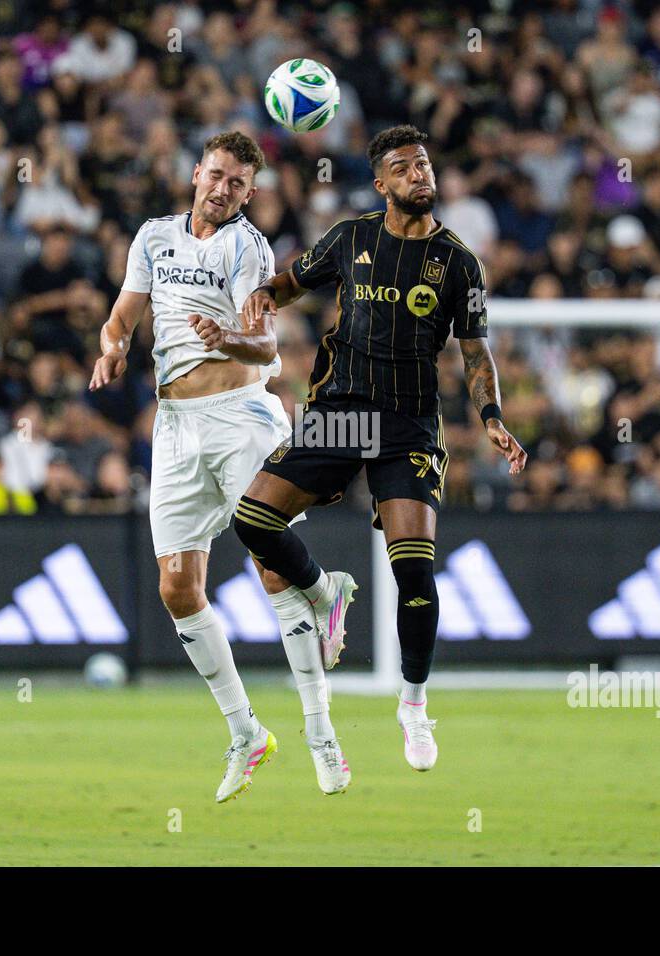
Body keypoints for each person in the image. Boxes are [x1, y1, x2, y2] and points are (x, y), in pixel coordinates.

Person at [234, 125, 527, 772]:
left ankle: (415, 704)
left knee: (415, 574)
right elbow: (294, 280)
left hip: (408, 428)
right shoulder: (352, 237)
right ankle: (321, 590)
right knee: (252, 518)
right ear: (382, 183)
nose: (419, 174)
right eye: (403, 167)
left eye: (424, 164)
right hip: (342, 413)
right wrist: (261, 297)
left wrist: (491, 415)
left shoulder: (458, 262)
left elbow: (475, 349)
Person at [89, 131, 351, 801]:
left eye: (237, 183)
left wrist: (225, 334)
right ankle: (247, 733)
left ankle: (322, 733)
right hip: (174, 426)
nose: (223, 189)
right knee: (177, 587)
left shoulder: (247, 247)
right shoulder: (152, 237)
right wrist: (113, 347)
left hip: (240, 414)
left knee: (269, 568)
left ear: (249, 193)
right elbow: (122, 315)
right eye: (216, 175)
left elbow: (265, 345)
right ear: (196, 173)